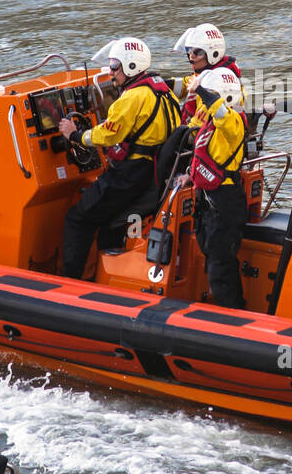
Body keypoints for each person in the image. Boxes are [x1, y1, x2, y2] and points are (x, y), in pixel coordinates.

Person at [59, 37, 181, 279]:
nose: (111, 73)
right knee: (109, 222)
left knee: (78, 218)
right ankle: (105, 275)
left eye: (115, 67)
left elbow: (107, 134)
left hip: (129, 176)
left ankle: (70, 280)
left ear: (131, 67)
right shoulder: (164, 92)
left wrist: (75, 135)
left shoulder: (130, 99)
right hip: (153, 174)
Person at [173, 68, 248, 310]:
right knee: (209, 249)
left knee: (221, 262)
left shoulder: (233, 122)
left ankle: (233, 315)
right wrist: (189, 177)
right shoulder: (211, 121)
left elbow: (220, 110)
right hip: (208, 197)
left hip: (225, 200)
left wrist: (200, 90)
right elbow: (206, 156)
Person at [170, 23, 243, 125]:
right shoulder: (208, 73)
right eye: (189, 51)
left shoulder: (216, 84)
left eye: (198, 52)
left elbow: (198, 125)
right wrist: (163, 84)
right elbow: (187, 83)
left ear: (213, 53)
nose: (191, 56)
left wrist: (177, 134)